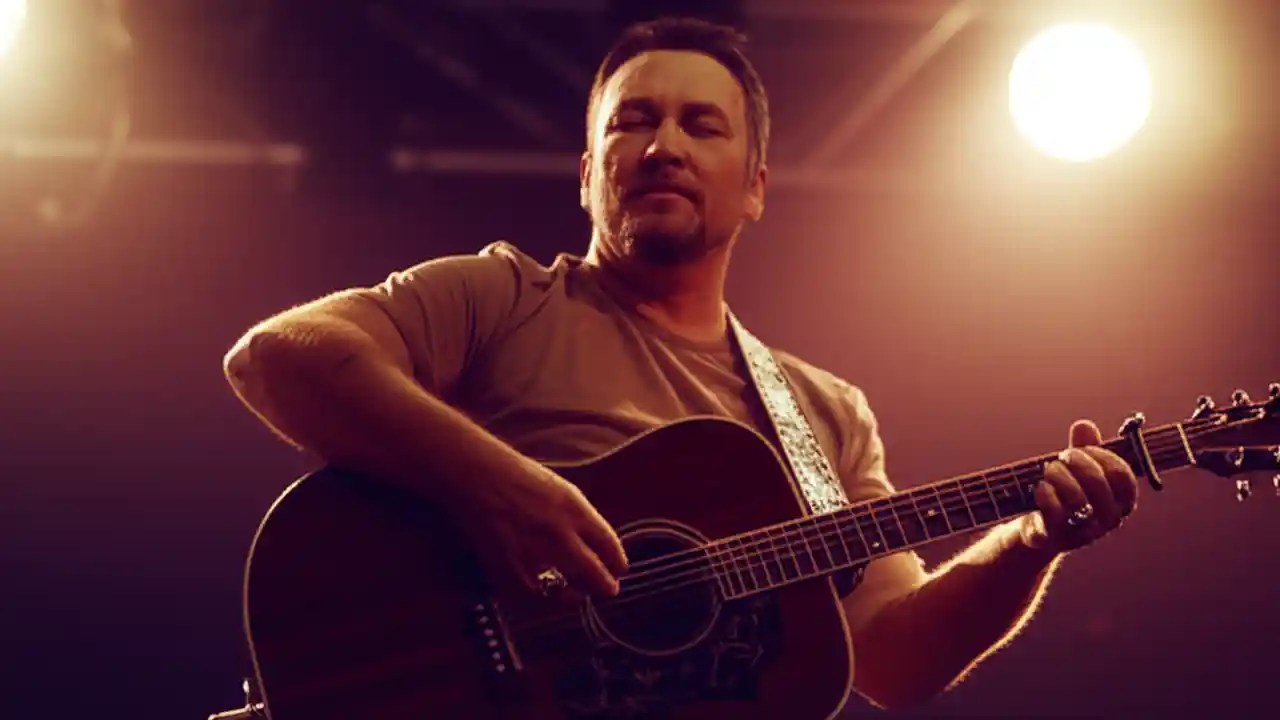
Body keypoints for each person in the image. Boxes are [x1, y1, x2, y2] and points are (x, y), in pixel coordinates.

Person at [223, 17, 1139, 711]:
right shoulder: (501, 298)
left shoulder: (823, 415)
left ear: (755, 188)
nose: (664, 146)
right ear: (588, 171)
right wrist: (501, 488)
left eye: (703, 125)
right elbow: (276, 359)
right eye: (634, 123)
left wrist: (1031, 541)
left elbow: (893, 661)